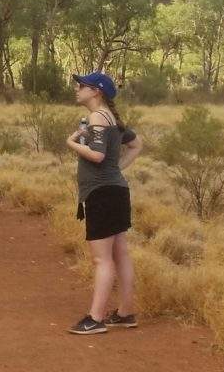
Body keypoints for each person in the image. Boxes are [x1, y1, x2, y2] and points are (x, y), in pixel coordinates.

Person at [65, 71, 142, 334]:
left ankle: (96, 319)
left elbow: (97, 155)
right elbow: (136, 145)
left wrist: (71, 142)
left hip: (103, 195)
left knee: (102, 260)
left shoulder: (98, 117)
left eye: (82, 85)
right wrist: (117, 169)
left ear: (96, 91)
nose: (77, 88)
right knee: (120, 254)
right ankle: (125, 313)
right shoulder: (110, 118)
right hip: (115, 191)